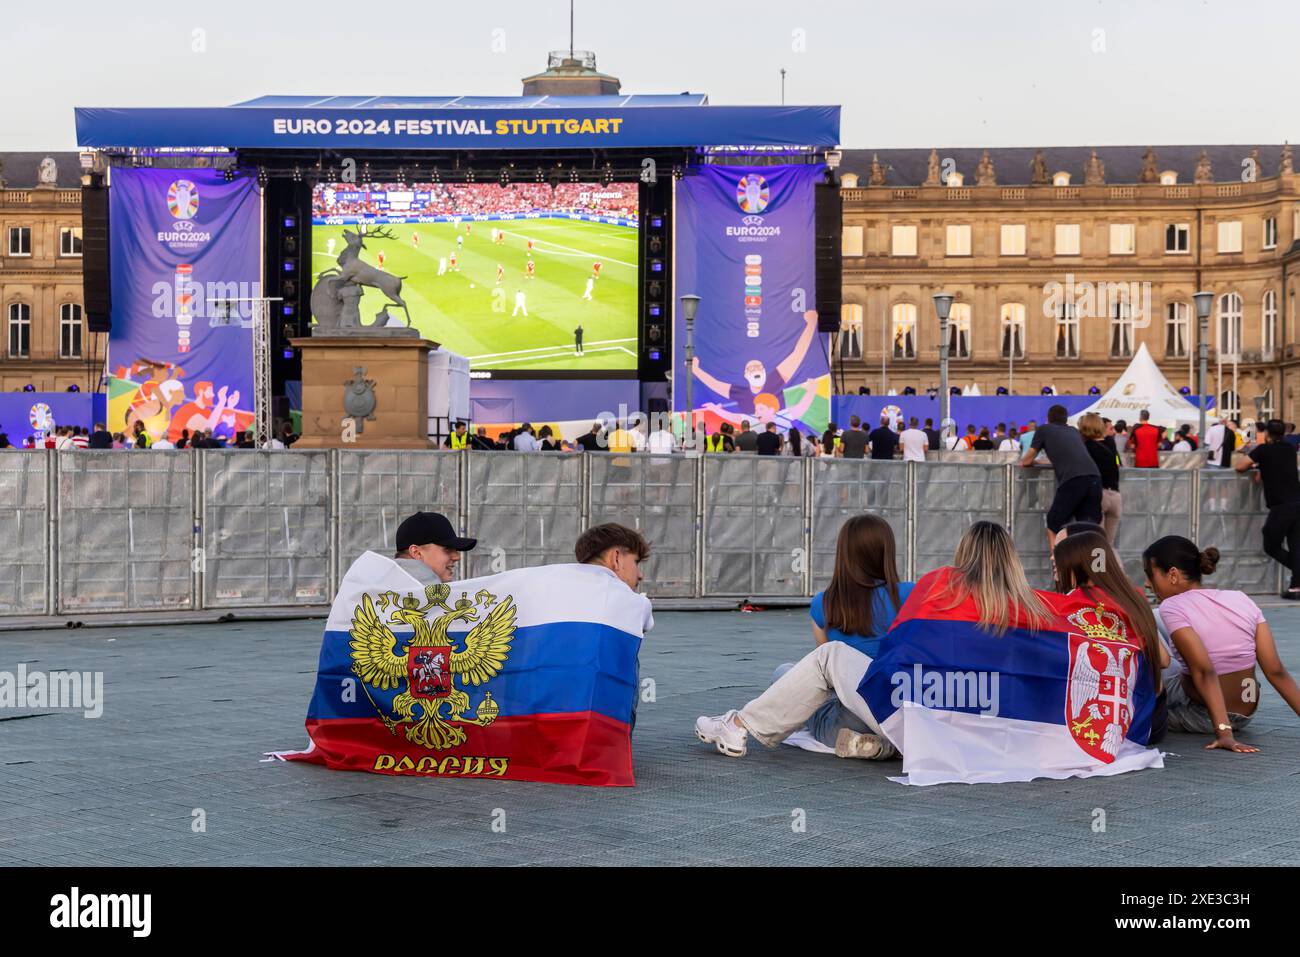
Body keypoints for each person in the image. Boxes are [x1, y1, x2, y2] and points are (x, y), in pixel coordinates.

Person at [694, 521, 1050, 761]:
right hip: (974, 721)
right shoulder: (1038, 611)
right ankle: (885, 746)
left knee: (816, 664)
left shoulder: (939, 593)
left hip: (919, 708)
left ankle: (739, 724)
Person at [1144, 535, 1300, 749]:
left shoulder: (1172, 606)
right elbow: (1275, 671)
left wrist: (1224, 733)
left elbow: (1204, 671)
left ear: (1172, 574)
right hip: (1246, 714)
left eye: (1149, 574)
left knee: (1143, 620)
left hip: (1201, 714)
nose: (1146, 583)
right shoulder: (1240, 598)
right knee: (1152, 617)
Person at [1054, 530, 1167, 745]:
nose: (1056, 574)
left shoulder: (1071, 602)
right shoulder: (1133, 597)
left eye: (1058, 567)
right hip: (1152, 720)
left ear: (1074, 566)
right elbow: (1163, 660)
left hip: (1110, 722)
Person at [691, 310, 819, 419]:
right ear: (746, 375)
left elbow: (797, 355)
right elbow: (714, 384)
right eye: (751, 369)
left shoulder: (775, 380)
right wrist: (696, 370)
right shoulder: (739, 392)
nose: (756, 370)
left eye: (758, 367)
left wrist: (811, 323)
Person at [1020, 404, 1103, 554]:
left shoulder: (1044, 430)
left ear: (1048, 418)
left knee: (1053, 524)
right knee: (1090, 529)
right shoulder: (1074, 431)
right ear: (1066, 419)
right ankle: (1097, 570)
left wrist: (1037, 462)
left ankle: (1059, 567)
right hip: (1094, 477)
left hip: (1073, 480)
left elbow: (1026, 460)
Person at [1236, 418, 1300, 598]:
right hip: (1297, 501)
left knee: (1270, 543)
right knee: (1296, 545)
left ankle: (1298, 578)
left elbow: (1240, 465)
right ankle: (1296, 587)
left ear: (1267, 434)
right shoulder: (1289, 449)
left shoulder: (1264, 450)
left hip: (1281, 505)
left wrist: (1257, 465)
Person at [393, 511, 477, 585]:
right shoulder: (426, 599)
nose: (457, 557)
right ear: (416, 553)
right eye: (447, 549)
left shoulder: (386, 592)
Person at [1078, 412, 1122, 544]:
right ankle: (1112, 565)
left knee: (1097, 544)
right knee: (1109, 544)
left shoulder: (1086, 448)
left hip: (1098, 495)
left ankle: (1099, 565)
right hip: (1115, 495)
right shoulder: (1110, 444)